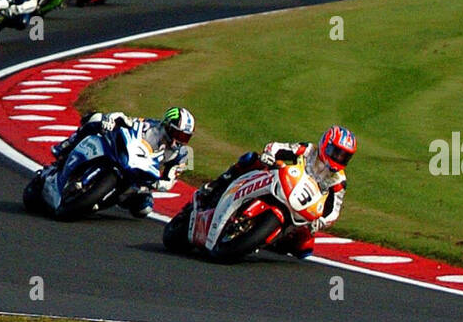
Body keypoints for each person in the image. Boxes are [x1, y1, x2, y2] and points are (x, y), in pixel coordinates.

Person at [196, 125, 357, 258]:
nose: (338, 158)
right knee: (252, 159)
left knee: (304, 248)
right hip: (282, 183)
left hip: (300, 208)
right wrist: (269, 155)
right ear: (325, 144)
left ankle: (266, 240)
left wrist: (321, 221)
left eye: (344, 156)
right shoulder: (308, 150)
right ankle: (216, 185)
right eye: (336, 152)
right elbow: (278, 147)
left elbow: (334, 210)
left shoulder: (339, 181)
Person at [48, 106, 195, 217]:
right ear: (167, 126)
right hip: (128, 158)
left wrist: (157, 184)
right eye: (178, 134)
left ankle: (99, 203)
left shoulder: (185, 154)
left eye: (185, 137)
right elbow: (126, 120)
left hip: (144, 178)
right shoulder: (150, 126)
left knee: (144, 209)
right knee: (96, 118)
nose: (180, 140)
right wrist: (112, 120)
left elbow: (170, 180)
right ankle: (67, 145)